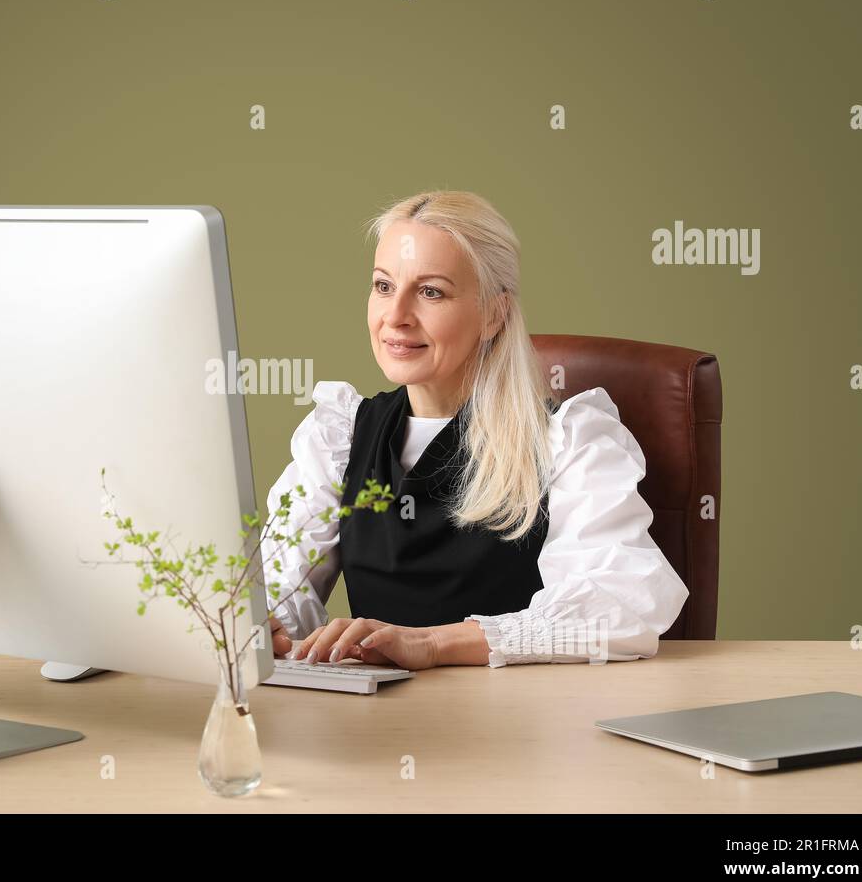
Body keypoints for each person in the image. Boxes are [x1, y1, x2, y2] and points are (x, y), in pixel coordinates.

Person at [262, 189, 689, 670]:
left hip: (518, 723)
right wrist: (264, 626)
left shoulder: (569, 440)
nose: (396, 316)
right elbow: (273, 585)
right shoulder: (338, 437)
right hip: (376, 725)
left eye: (431, 292)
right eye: (383, 286)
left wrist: (432, 644)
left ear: (494, 314)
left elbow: (622, 609)